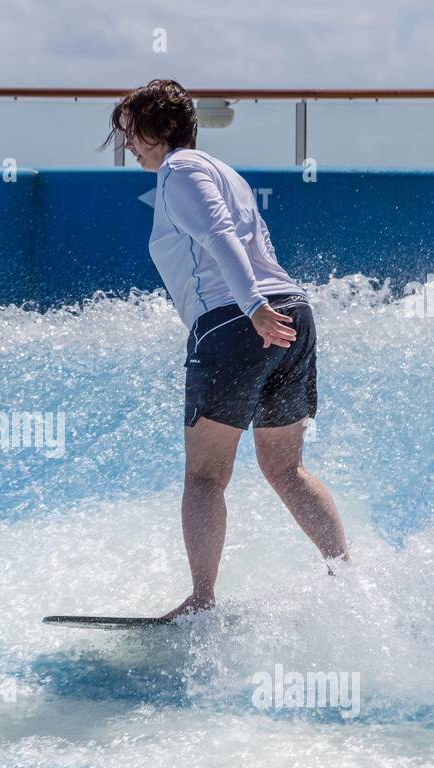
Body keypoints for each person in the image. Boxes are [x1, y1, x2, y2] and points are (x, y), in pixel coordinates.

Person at [102, 79, 350, 621]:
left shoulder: (180, 171)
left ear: (158, 130)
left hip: (239, 320)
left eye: (132, 134)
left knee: (206, 477)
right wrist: (263, 306)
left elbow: (219, 236)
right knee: (286, 470)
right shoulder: (225, 173)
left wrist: (252, 306)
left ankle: (202, 603)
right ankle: (348, 580)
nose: (129, 147)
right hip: (293, 315)